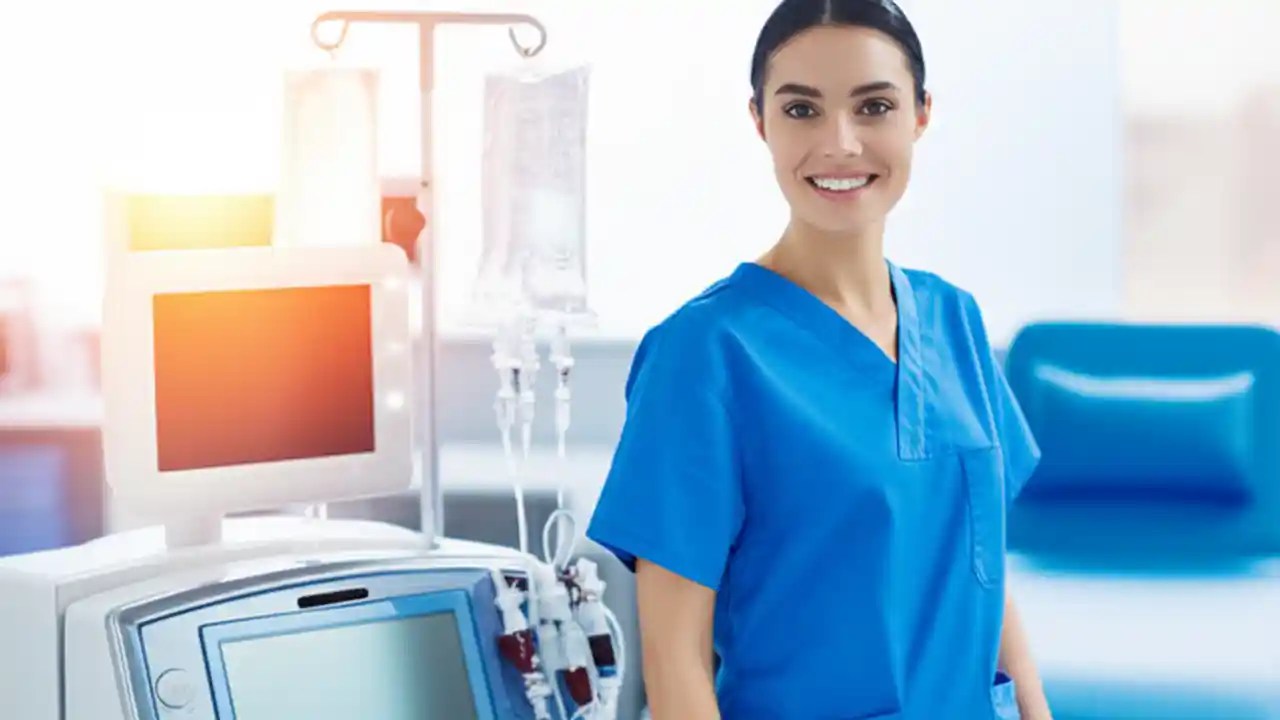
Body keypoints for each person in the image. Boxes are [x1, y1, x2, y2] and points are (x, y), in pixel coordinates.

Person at [586, 0, 1052, 718]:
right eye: (802, 110)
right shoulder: (704, 354)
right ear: (760, 122)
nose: (839, 144)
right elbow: (675, 667)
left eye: (873, 107)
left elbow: (983, 569)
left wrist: (1034, 707)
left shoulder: (955, 318)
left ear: (920, 114)